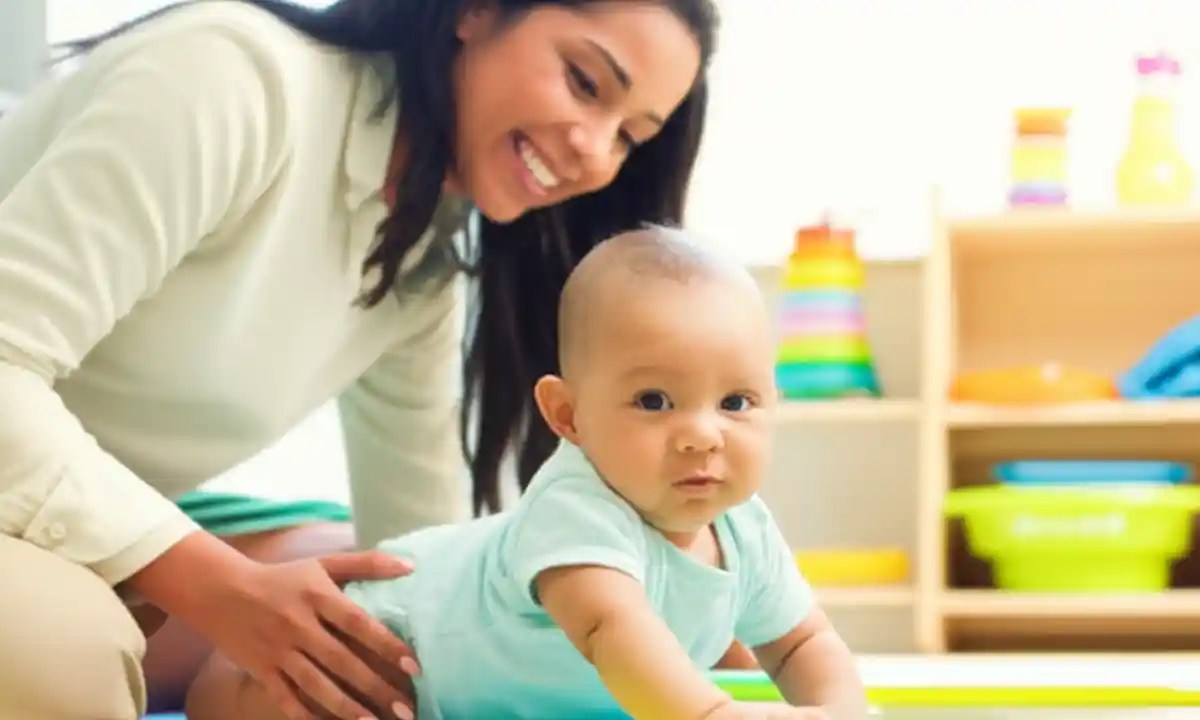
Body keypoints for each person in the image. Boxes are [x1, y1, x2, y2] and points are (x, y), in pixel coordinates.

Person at [0, 1, 728, 718]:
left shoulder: (421, 249)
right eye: (585, 82)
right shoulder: (232, 80)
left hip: (71, 510)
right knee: (69, 660)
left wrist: (596, 611)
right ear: (475, 12)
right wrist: (217, 588)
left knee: (382, 596)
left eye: (630, 136)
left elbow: (419, 537)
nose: (596, 151)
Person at [185, 227, 870, 720]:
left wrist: (840, 709)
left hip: (456, 693)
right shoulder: (577, 505)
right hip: (384, 640)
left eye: (735, 402)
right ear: (568, 416)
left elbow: (803, 639)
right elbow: (611, 630)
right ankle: (205, 682)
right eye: (654, 402)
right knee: (264, 701)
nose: (701, 434)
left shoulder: (744, 529)